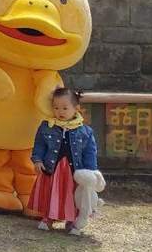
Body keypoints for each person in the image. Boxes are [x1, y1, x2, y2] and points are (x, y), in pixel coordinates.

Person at [30, 88, 102, 235]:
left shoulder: (85, 131)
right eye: (56, 107)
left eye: (64, 108)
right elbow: (39, 145)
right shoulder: (46, 126)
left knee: (72, 195)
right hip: (52, 169)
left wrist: (91, 172)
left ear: (76, 109)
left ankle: (72, 220)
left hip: (74, 172)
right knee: (51, 192)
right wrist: (37, 159)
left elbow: (90, 152)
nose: (60, 111)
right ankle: (48, 218)